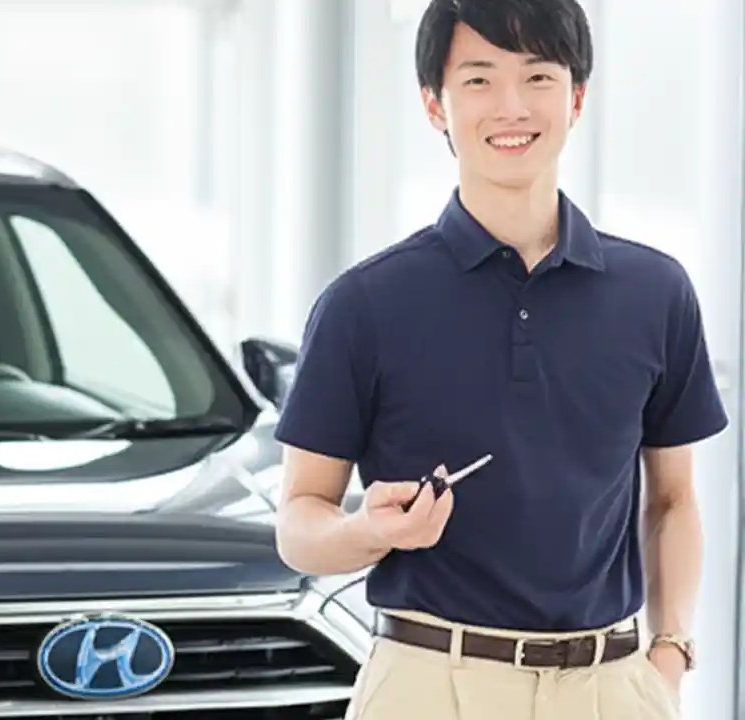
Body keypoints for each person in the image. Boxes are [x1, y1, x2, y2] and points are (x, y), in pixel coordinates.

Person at [272, 1, 728, 718]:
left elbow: (672, 499)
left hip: (611, 687)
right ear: (434, 105)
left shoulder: (656, 292)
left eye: (538, 76)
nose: (511, 107)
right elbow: (299, 522)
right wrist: (368, 530)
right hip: (429, 684)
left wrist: (669, 655)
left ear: (576, 98)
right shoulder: (364, 304)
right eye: (479, 80)